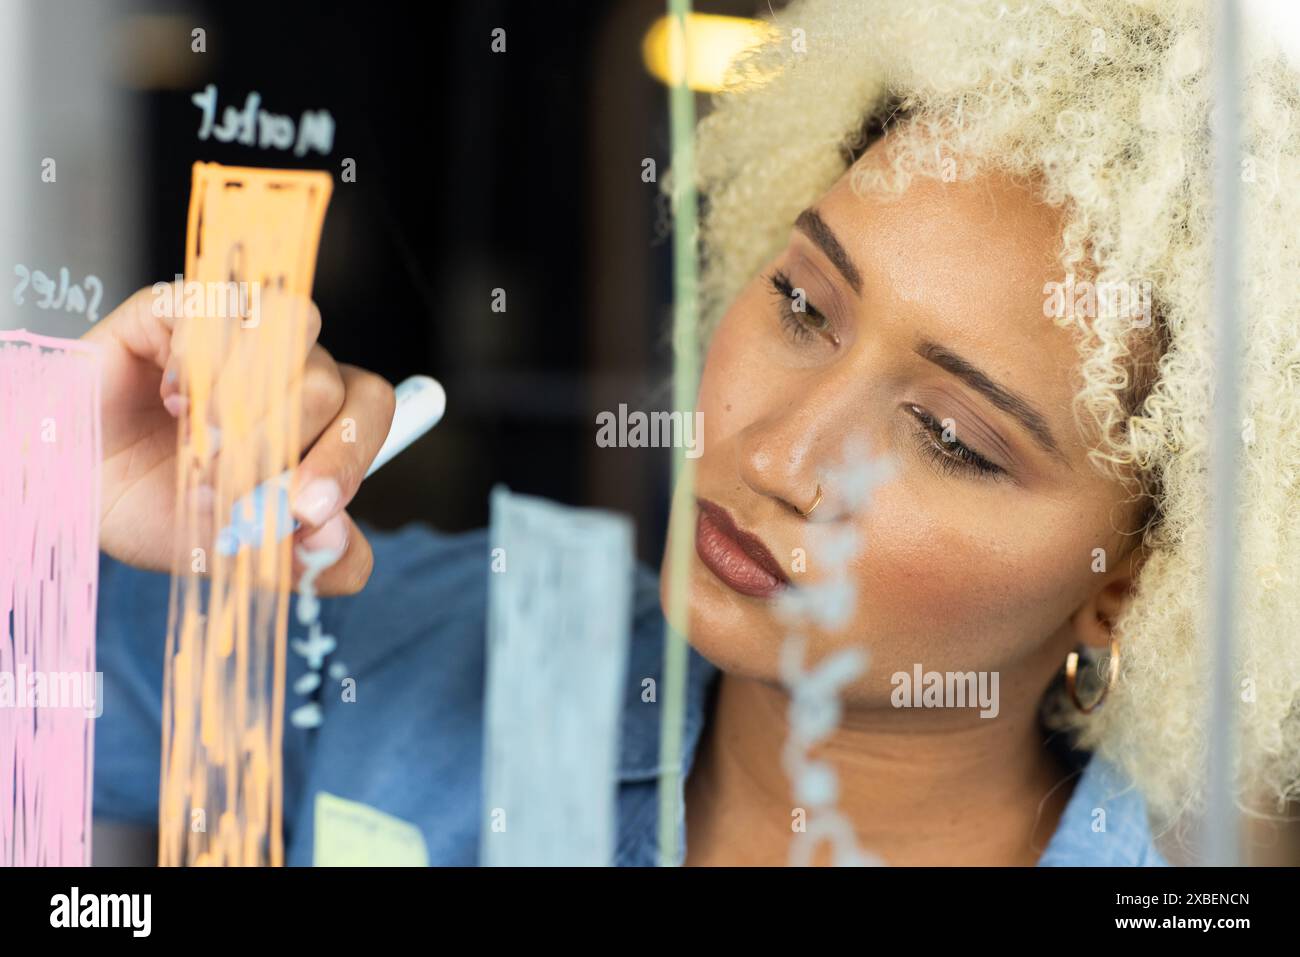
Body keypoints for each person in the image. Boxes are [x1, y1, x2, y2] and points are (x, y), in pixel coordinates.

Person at [90, 0, 1300, 865]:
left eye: (944, 433)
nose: (777, 455)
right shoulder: (497, 656)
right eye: (800, 305)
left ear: (1135, 581)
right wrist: (58, 469)